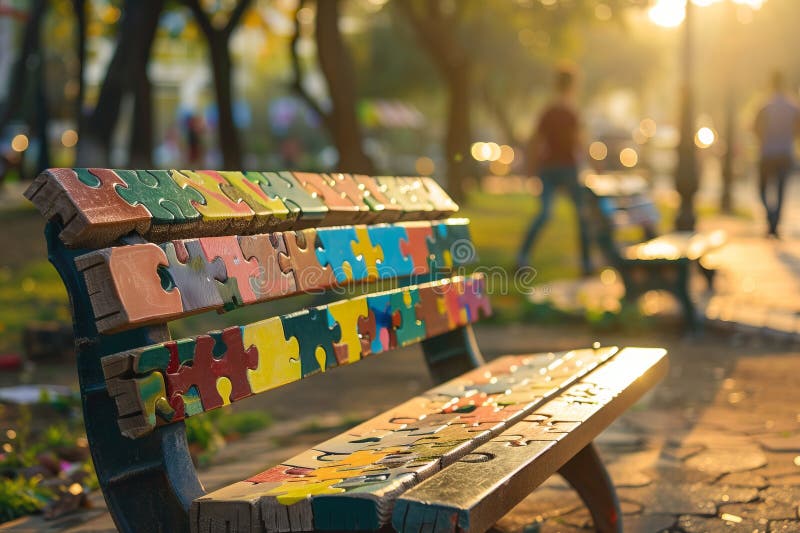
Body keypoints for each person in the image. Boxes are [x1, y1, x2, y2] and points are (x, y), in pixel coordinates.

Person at [517, 66, 591, 275]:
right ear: (573, 86)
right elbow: (579, 142)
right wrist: (593, 164)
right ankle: (586, 263)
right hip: (565, 167)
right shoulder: (569, 111)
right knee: (582, 215)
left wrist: (530, 168)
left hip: (549, 167)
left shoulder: (549, 110)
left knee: (545, 213)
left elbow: (534, 142)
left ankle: (522, 256)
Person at [754, 70, 800, 238]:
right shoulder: (793, 106)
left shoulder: (765, 105)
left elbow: (755, 127)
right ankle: (774, 223)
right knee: (781, 190)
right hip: (785, 153)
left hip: (767, 153)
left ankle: (771, 218)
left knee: (762, 189)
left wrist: (763, 140)